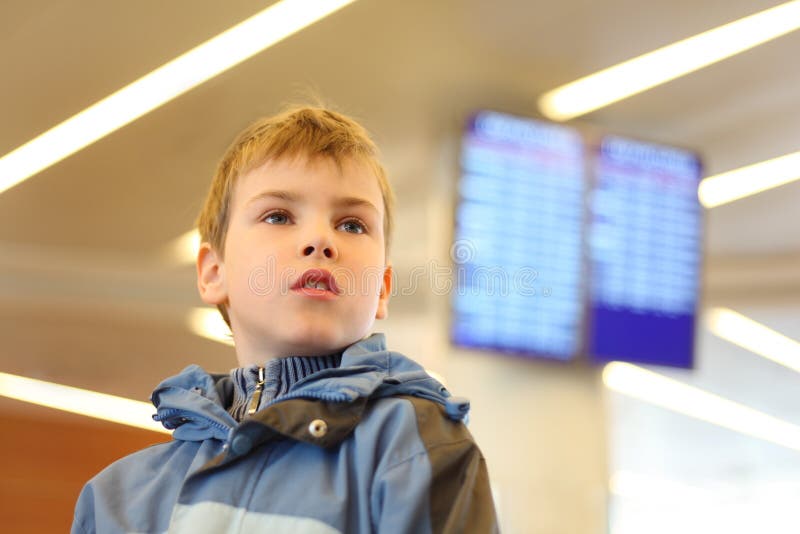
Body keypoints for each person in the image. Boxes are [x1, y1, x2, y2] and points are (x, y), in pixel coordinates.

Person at [71, 106, 498, 533]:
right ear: (213, 272)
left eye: (351, 224)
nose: (319, 240)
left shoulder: (418, 447)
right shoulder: (117, 501)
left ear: (382, 288)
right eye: (278, 216)